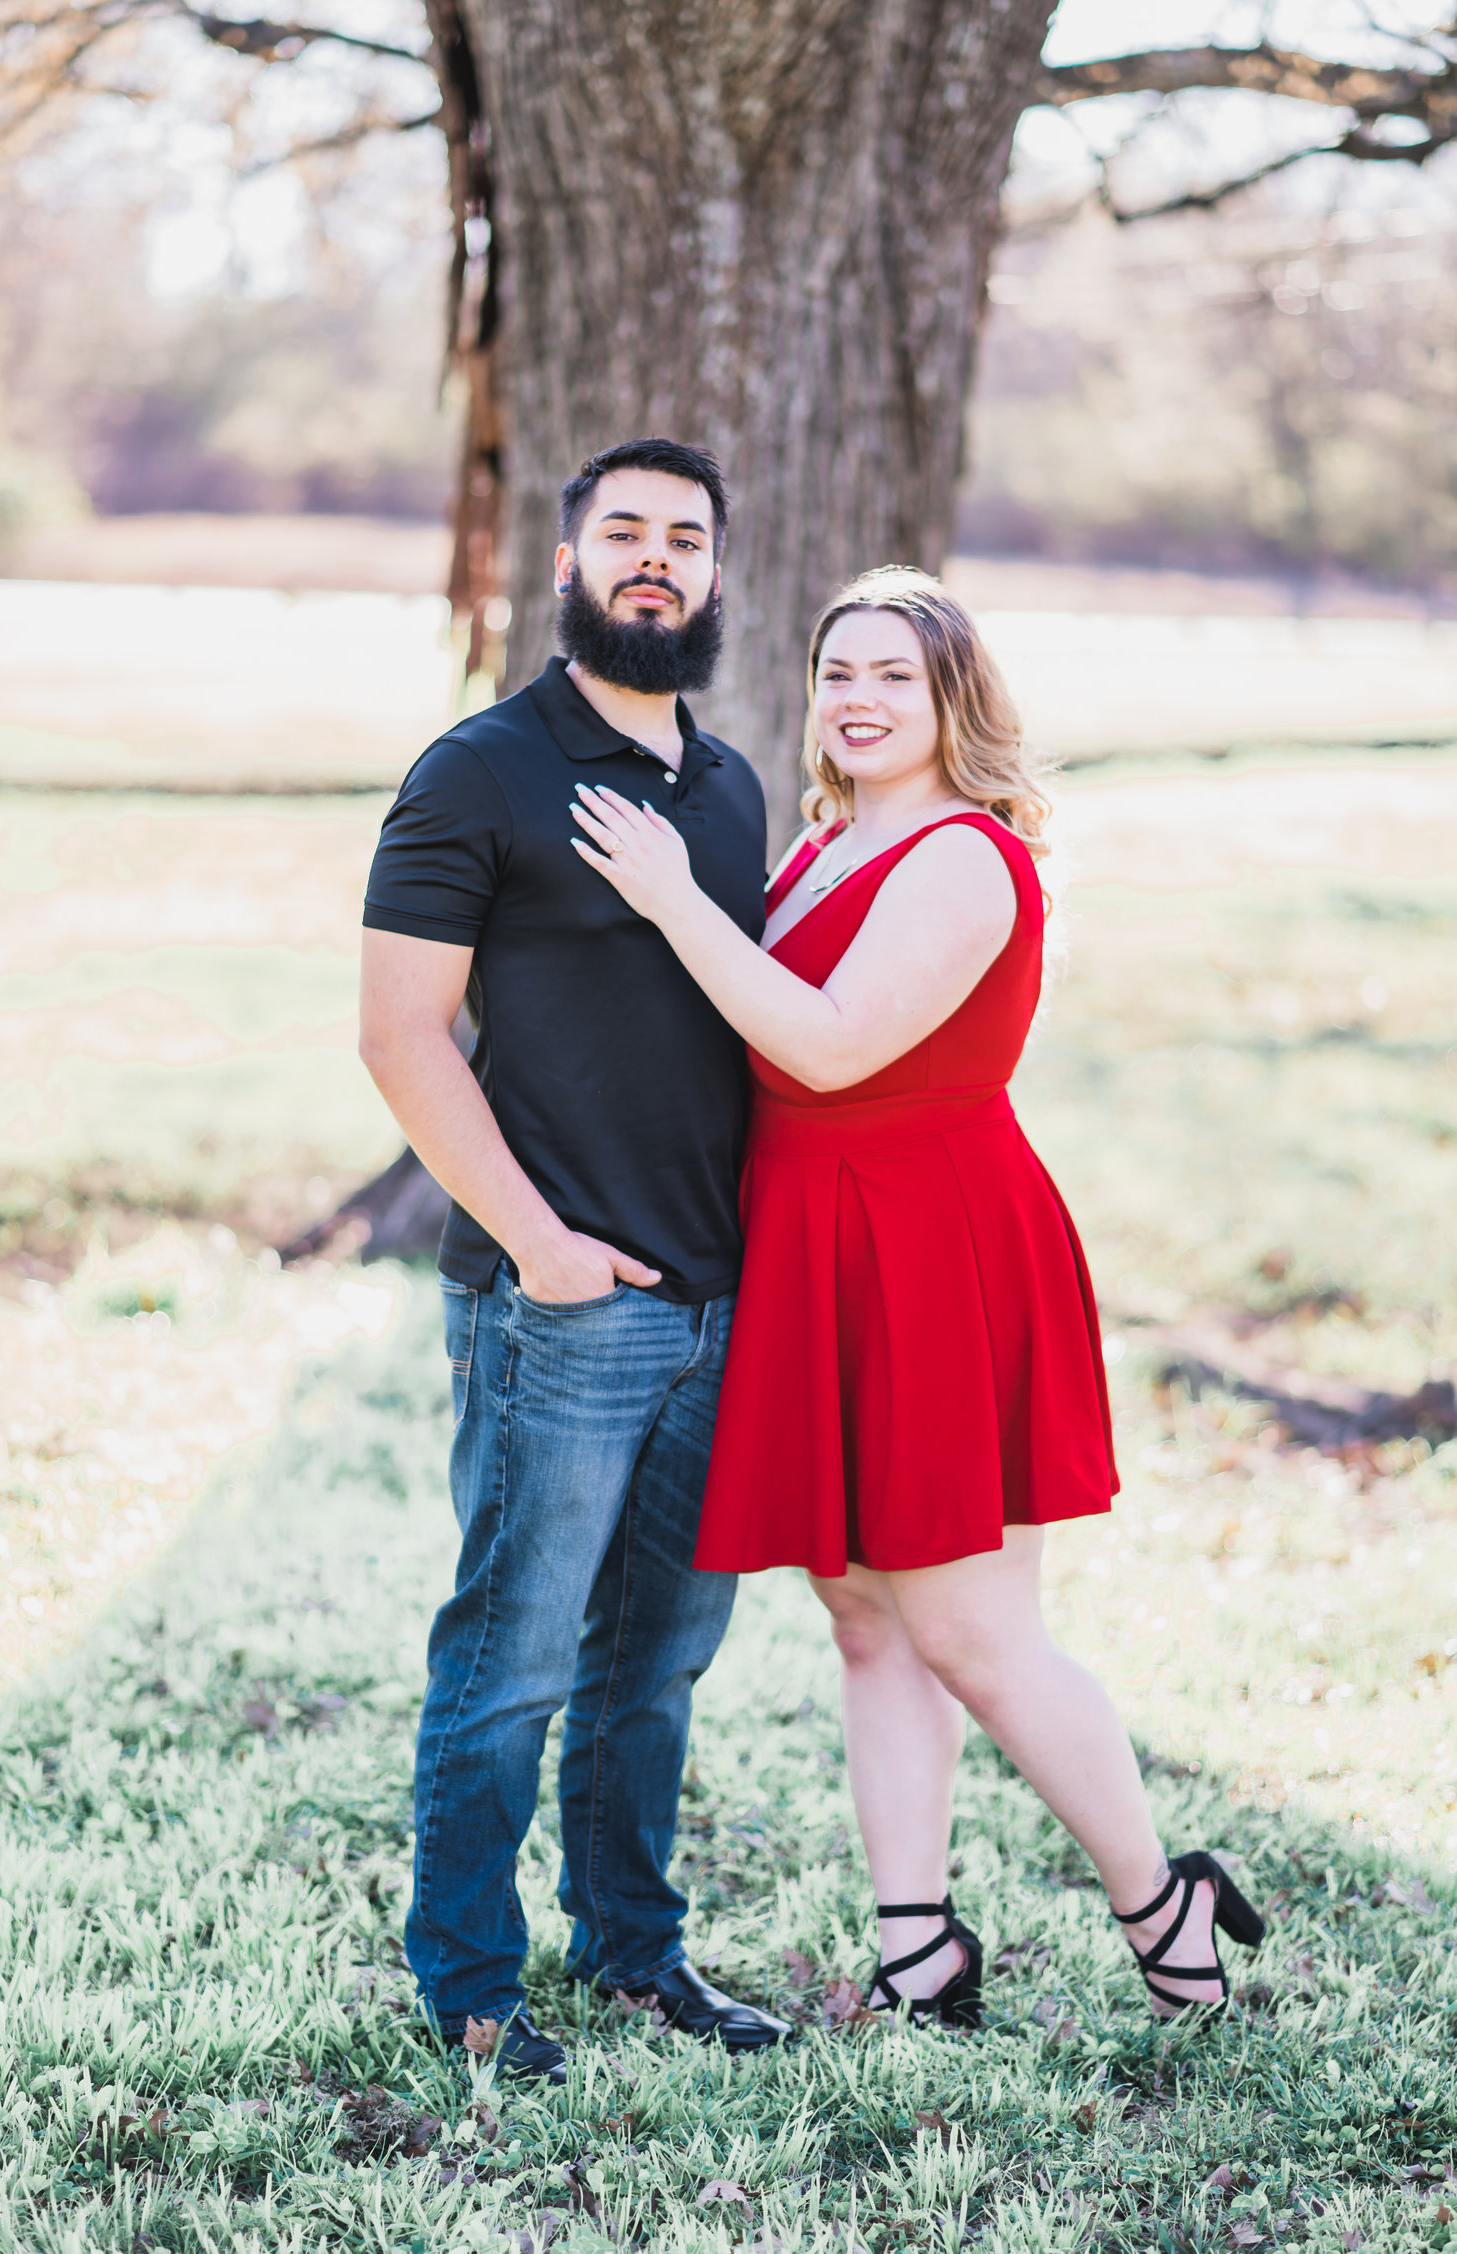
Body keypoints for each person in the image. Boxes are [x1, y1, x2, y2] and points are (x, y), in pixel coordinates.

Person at [570, 565, 1265, 2027]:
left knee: (971, 1628)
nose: (860, 698)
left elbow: (822, 1049)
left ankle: (1165, 1900)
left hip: (935, 1248)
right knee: (865, 1615)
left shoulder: (961, 857)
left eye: (896, 673)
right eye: (838, 671)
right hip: (818, 1243)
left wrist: (671, 897)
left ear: (956, 698)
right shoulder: (823, 847)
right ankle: (915, 1944)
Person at [358, 437, 790, 2082]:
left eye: (686, 537)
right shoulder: (479, 769)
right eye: (626, 532)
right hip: (556, 1302)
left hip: (716, 1298)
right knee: (514, 1656)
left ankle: (634, 1952)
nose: (656, 560)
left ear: (718, 576)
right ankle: (471, 1982)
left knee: (659, 1662)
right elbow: (401, 1037)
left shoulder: (733, 787)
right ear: (568, 565)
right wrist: (538, 1244)